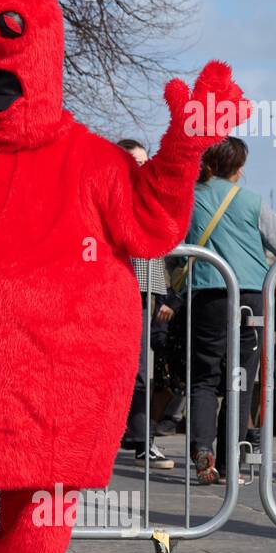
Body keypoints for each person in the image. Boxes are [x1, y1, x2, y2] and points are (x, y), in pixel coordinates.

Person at [164, 137, 276, 484]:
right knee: (239, 379)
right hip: (249, 295)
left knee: (204, 378)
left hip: (206, 294)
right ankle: (229, 465)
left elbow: (170, 243)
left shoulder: (189, 197)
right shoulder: (252, 200)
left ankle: (200, 451)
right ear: (239, 168)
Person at [115, 139, 174, 469]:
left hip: (146, 291)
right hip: (123, 287)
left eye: (145, 160)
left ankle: (139, 437)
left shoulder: (152, 196)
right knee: (130, 367)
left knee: (140, 368)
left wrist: (167, 295)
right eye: (136, 161)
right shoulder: (118, 194)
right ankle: (138, 438)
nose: (143, 166)